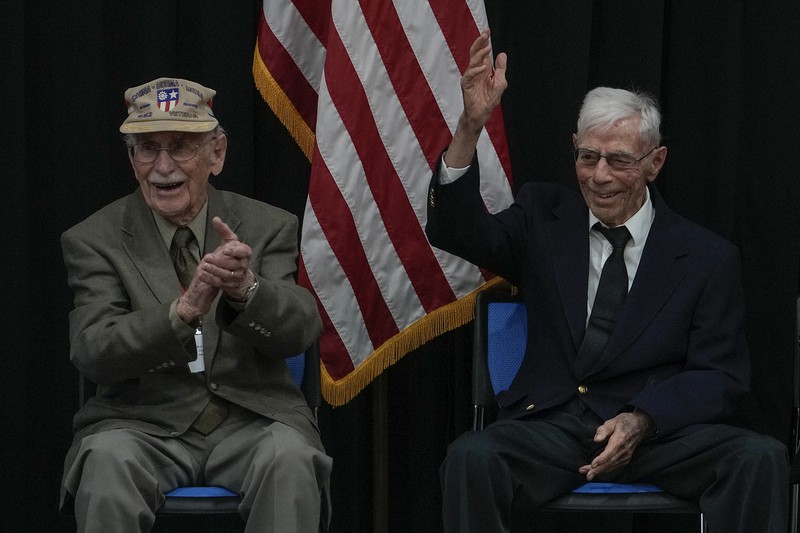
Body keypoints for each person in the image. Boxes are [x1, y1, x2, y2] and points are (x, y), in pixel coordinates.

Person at [427, 30, 789, 532]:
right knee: (472, 456)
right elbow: (457, 230)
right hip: (556, 425)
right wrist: (470, 126)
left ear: (654, 163)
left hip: (657, 433)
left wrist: (642, 419)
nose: (599, 176)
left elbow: (721, 374)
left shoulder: (707, 257)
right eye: (587, 156)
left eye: (618, 160)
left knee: (760, 457)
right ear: (574, 149)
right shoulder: (541, 217)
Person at [59, 77, 331, 533]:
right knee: (104, 462)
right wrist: (180, 314)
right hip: (142, 425)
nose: (163, 167)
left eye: (181, 147)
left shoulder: (267, 226)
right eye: (147, 149)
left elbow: (299, 332)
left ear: (217, 153)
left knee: (292, 459)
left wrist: (247, 290)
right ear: (132, 159)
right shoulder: (95, 239)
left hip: (253, 421)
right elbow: (93, 350)